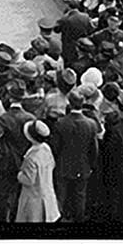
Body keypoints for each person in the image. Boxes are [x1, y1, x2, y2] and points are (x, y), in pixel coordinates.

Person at [0, 79, 35, 223]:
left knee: (2, 195)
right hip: (24, 161)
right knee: (18, 194)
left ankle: (1, 221)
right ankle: (14, 219)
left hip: (6, 162)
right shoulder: (30, 118)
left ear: (10, 97)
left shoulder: (4, 118)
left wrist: (5, 153)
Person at [50, 91, 99, 222]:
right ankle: (79, 219)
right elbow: (94, 149)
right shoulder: (91, 124)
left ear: (69, 104)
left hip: (63, 165)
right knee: (80, 196)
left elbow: (55, 147)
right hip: (83, 166)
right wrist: (91, 165)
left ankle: (60, 218)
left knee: (61, 195)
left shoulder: (60, 123)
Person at [16, 119, 60, 222]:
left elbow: (29, 180)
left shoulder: (31, 157)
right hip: (47, 190)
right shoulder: (46, 148)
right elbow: (52, 164)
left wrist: (19, 175)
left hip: (33, 196)